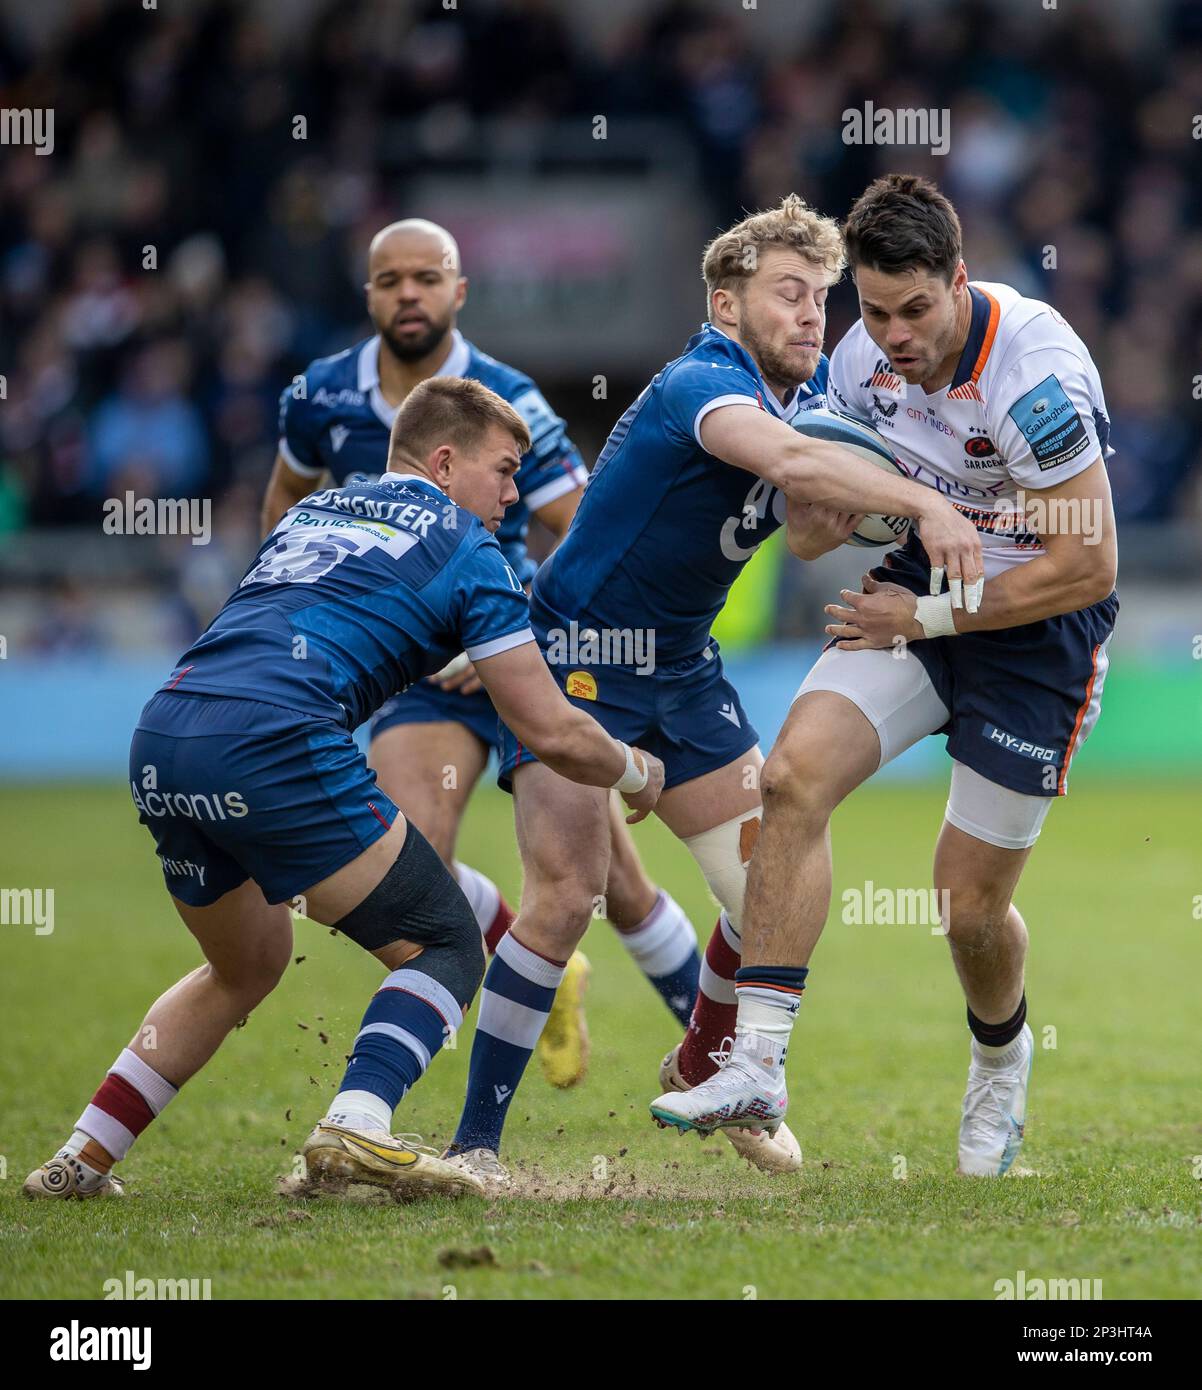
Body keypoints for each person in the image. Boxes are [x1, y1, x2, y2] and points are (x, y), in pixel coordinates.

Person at [439, 194, 983, 1191]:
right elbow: (779, 461)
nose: (812, 315)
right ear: (724, 305)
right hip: (576, 659)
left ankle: (704, 1060)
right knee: (565, 898)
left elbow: (808, 525)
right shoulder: (703, 381)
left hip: (682, 670)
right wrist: (920, 501)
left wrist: (850, 502)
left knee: (762, 882)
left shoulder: (807, 390)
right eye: (788, 294)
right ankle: (473, 1143)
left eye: (821, 297)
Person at [24, 376, 663, 1203]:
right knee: (445, 941)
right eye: (504, 471)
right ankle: (357, 1123)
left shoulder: (315, 511)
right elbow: (549, 729)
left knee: (245, 963)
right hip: (275, 741)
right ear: (443, 462)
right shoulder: (469, 548)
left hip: (167, 734)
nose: (513, 495)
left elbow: (326, 614)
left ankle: (82, 1158)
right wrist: (636, 768)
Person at [651, 175, 1117, 1179]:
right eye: (871, 309)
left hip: (1036, 623)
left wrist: (932, 613)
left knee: (964, 909)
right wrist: (817, 512)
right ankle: (758, 1065)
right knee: (788, 780)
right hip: (916, 588)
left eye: (915, 309)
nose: (894, 335)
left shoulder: (1034, 378)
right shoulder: (857, 361)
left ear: (957, 279)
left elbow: (1089, 564)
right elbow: (817, 517)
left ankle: (999, 1062)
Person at [263, 219, 701, 1087]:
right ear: (371, 296)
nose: (409, 294)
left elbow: (580, 532)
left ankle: (728, 1059)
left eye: (428, 278)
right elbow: (284, 502)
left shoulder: (507, 399)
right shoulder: (319, 397)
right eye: (390, 281)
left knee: (612, 888)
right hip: (415, 674)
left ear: (459, 291)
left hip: (517, 655)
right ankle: (531, 962)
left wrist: (509, 629)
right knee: (404, 853)